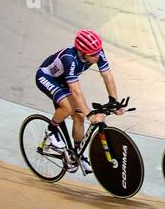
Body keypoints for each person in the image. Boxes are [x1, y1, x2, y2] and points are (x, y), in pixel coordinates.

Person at [35, 30, 123, 176]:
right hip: (47, 78)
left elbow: (107, 76)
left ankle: (77, 154)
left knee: (78, 117)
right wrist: (90, 115)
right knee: (69, 107)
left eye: (98, 52)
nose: (97, 56)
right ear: (82, 52)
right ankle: (51, 130)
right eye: (93, 54)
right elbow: (76, 92)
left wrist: (114, 101)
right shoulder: (70, 59)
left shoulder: (97, 52)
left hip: (63, 81)